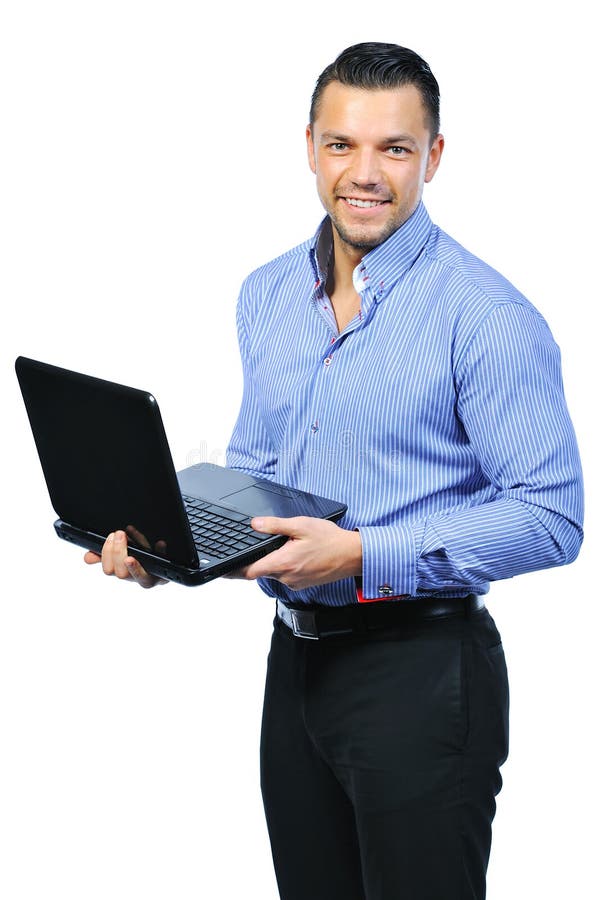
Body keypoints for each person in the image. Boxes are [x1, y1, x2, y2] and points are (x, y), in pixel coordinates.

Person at [85, 42, 584, 900]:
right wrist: (169, 549)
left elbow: (552, 518)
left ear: (432, 156)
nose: (365, 173)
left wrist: (360, 553)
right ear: (310, 146)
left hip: (423, 675)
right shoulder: (267, 292)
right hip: (297, 672)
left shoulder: (487, 317)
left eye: (393, 148)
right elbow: (260, 476)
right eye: (342, 145)